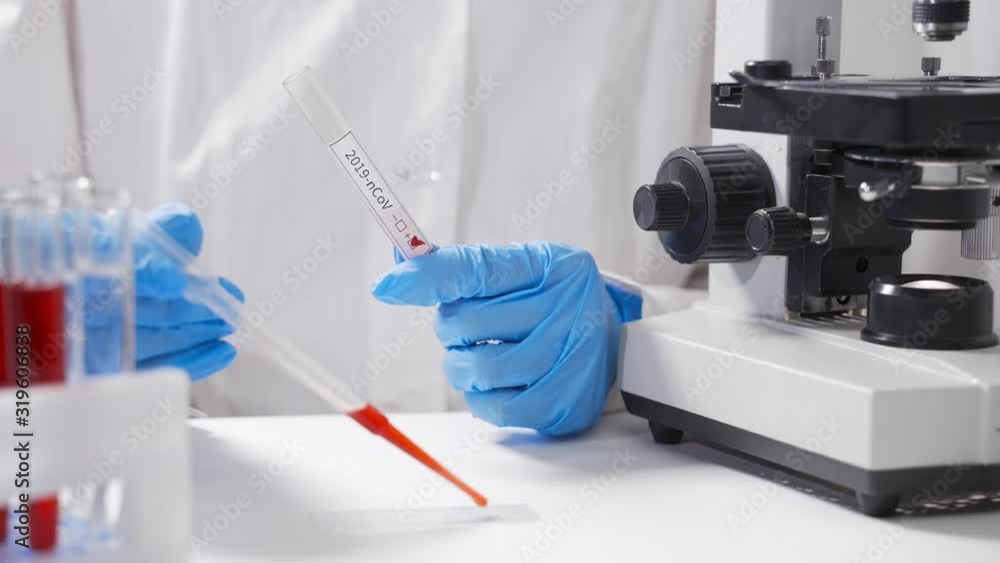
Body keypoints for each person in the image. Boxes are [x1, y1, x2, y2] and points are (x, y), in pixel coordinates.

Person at [6, 1, 718, 434]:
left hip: (614, 502)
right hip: (202, 505)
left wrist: (637, 343)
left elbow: (799, 304)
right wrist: (30, 333)